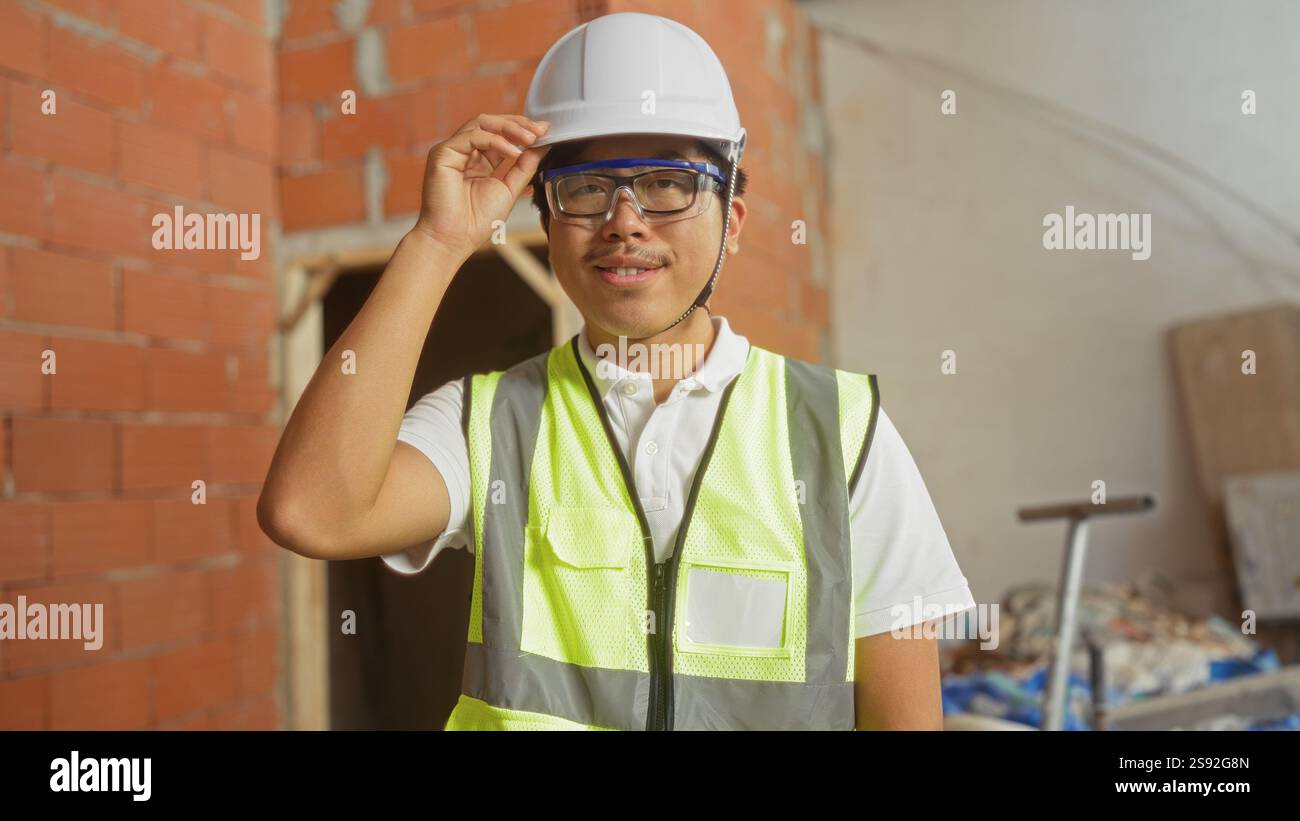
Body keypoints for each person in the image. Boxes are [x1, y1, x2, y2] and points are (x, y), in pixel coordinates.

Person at [259, 11, 973, 730]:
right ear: (546, 216)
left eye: (668, 183)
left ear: (733, 222)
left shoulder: (843, 434)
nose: (624, 221)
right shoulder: (490, 423)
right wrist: (439, 241)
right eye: (588, 187)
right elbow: (312, 512)